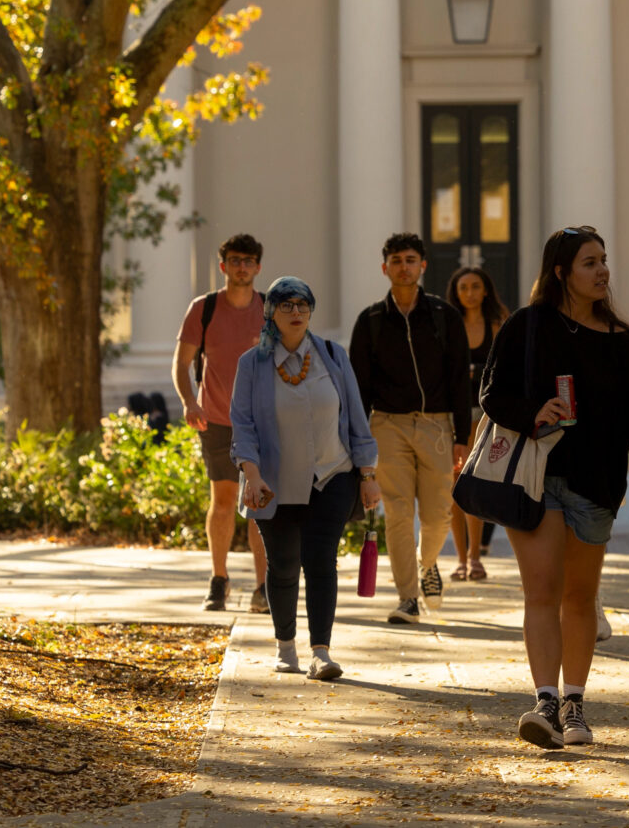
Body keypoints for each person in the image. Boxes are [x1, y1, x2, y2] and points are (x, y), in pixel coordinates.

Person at [481, 225, 629, 750]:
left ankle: (575, 704)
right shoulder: (526, 327)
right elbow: (491, 393)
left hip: (598, 482)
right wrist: (531, 412)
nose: (602, 271)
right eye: (590, 262)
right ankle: (546, 702)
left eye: (604, 260)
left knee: (580, 595)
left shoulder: (622, 342)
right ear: (561, 272)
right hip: (536, 477)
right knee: (542, 591)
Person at [231, 276, 380, 682]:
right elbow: (242, 427)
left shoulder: (333, 355)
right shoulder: (252, 364)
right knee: (281, 566)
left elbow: (355, 416)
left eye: (302, 305)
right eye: (286, 306)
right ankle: (285, 646)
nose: (295, 313)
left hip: (332, 475)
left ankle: (321, 652)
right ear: (271, 313)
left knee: (320, 563)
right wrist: (252, 473)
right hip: (273, 484)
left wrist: (367, 473)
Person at [349, 233, 473, 624]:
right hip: (387, 426)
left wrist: (462, 437)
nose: (403, 266)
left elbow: (460, 380)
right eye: (396, 261)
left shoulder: (444, 316)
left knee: (438, 514)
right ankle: (407, 598)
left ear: (423, 266)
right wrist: (359, 442)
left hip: (436, 426)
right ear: (385, 268)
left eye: (410, 259)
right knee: (399, 514)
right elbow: (358, 387)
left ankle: (429, 563)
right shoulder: (369, 321)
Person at [172, 233, 271, 612]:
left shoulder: (269, 309)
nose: (241, 266)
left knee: (259, 503)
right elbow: (181, 364)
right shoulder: (204, 308)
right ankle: (219, 579)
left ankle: (263, 588)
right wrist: (187, 402)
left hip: (261, 423)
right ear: (223, 265)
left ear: (258, 267)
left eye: (248, 260)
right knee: (224, 500)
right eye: (235, 260)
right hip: (215, 418)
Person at [447, 265, 509, 580]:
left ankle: (475, 557)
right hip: (454, 414)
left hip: (483, 415)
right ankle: (460, 558)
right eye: (463, 288)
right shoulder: (448, 323)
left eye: (475, 286)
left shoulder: (498, 323)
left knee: (474, 482)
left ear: (485, 290)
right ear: (456, 293)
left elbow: (506, 368)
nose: (469, 293)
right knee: (454, 485)